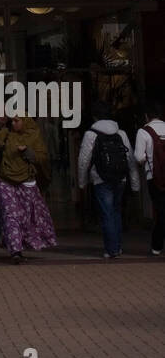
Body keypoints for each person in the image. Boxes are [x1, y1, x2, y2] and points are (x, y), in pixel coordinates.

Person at [0, 113, 57, 264]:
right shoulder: (5, 133)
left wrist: (28, 152)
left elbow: (42, 158)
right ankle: (15, 250)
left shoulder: (34, 135)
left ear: (26, 121)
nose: (14, 124)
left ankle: (23, 244)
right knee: (11, 215)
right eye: (13, 121)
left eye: (17, 121)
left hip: (27, 181)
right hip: (5, 180)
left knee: (26, 215)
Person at [78, 102, 139, 259]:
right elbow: (130, 159)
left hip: (100, 179)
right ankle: (117, 247)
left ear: (95, 116)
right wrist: (135, 183)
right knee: (117, 211)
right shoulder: (121, 133)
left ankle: (111, 250)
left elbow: (84, 160)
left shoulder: (90, 134)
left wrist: (82, 182)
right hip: (120, 178)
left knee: (107, 214)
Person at [134, 97, 165, 256]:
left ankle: (157, 246)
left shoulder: (143, 131)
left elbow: (139, 157)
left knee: (160, 211)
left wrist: (149, 158)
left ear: (147, 116)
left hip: (155, 177)